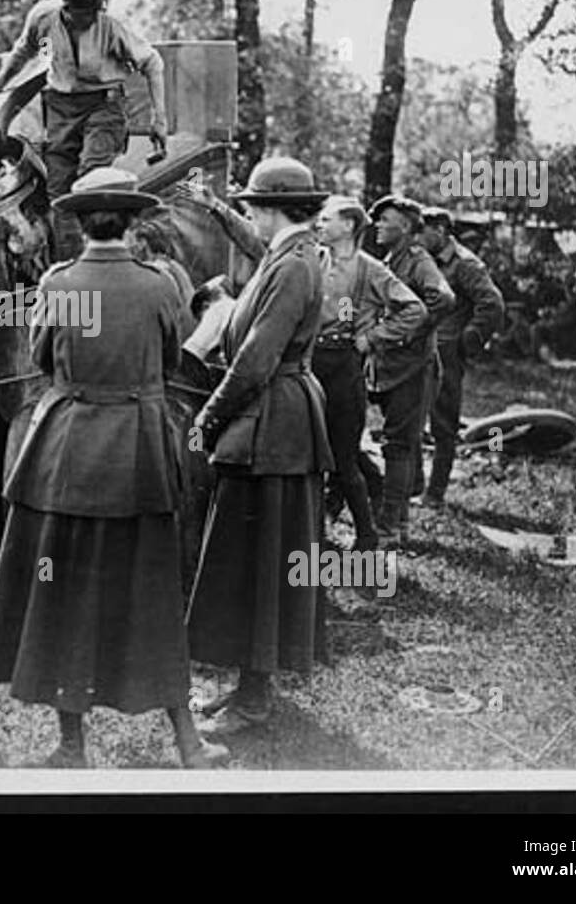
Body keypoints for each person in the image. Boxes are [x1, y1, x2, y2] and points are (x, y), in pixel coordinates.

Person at [0, 167, 227, 769]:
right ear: (133, 221)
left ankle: (71, 746)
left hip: (66, 453)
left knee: (62, 590)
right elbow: (174, 358)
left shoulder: (59, 283)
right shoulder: (160, 285)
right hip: (139, 453)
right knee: (154, 590)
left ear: (81, 222)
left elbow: (40, 358)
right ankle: (189, 744)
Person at [184, 158, 334, 735]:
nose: (250, 216)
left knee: (265, 559)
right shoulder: (287, 253)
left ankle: (256, 699)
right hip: (270, 420)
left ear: (275, 209)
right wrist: (217, 208)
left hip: (274, 423)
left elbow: (255, 359)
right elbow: (251, 245)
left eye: (252, 206)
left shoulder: (294, 266)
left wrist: (210, 413)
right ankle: (248, 686)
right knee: (250, 557)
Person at [0, 0, 168, 262]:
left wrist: (160, 120)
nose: (91, 20)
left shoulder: (110, 24)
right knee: (60, 191)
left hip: (104, 105)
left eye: (95, 12)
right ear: (67, 8)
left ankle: (105, 258)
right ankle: (71, 267)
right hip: (60, 107)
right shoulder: (43, 18)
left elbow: (152, 63)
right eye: (84, 14)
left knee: (91, 176)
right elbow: (21, 54)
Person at [313, 196, 426, 552]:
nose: (320, 224)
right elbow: (258, 246)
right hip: (311, 363)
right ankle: (315, 532)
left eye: (327, 219)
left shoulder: (370, 268)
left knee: (344, 458)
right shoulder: (314, 258)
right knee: (310, 452)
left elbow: (414, 309)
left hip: (345, 368)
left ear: (348, 225)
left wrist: (372, 338)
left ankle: (366, 534)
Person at [366, 195, 454, 543]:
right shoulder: (392, 259)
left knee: (398, 445)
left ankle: (388, 527)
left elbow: (444, 299)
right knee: (399, 443)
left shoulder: (418, 260)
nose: (378, 225)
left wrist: (411, 332)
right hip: (395, 367)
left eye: (385, 219)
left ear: (405, 226)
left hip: (414, 367)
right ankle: (398, 523)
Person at [418, 207, 506, 506]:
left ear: (441, 230)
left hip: (445, 352)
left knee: (443, 424)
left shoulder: (466, 264)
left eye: (423, 230)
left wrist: (466, 341)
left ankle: (435, 494)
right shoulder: (424, 260)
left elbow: (492, 304)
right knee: (414, 418)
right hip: (420, 350)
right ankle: (416, 487)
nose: (418, 236)